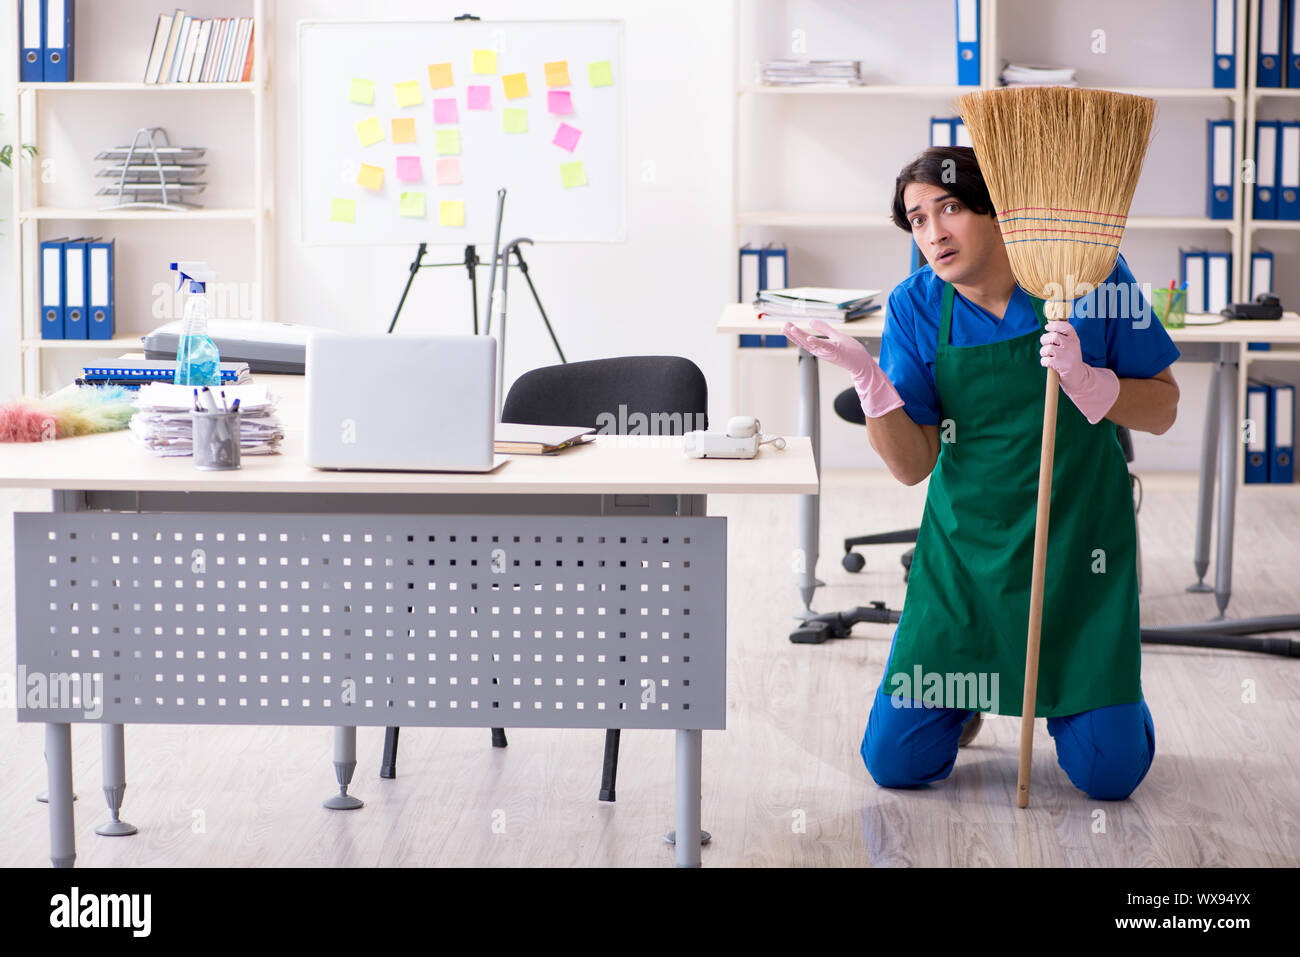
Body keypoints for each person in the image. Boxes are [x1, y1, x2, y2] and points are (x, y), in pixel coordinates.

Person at [783, 146, 1181, 801]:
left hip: (1078, 550)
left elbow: (1164, 408)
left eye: (951, 208)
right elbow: (913, 467)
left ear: (997, 212)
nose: (933, 232)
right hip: (967, 558)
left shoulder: (1092, 278)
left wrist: (1095, 384)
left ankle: (1086, 696)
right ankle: (969, 698)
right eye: (916, 219)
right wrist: (869, 377)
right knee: (895, 763)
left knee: (1111, 775)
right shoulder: (916, 305)